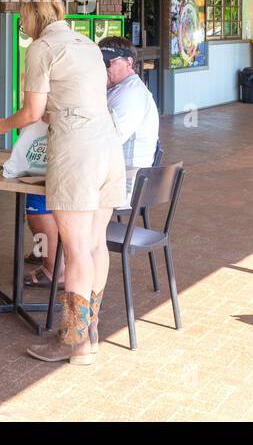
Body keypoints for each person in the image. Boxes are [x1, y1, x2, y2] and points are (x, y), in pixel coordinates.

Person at [0, 0, 125, 364]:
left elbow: (33, 114)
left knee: (76, 246)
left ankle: (73, 340)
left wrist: (3, 125)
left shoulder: (42, 48)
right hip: (108, 146)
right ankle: (89, 330)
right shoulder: (84, 44)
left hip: (78, 152)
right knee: (96, 242)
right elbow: (73, 103)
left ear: (31, 16)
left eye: (22, 16)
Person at [23, 36, 159, 290]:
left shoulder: (130, 94)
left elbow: (99, 137)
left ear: (129, 63)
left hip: (118, 185)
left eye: (109, 62)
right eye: (100, 63)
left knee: (41, 197)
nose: (104, 68)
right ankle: (52, 250)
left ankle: (56, 268)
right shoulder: (118, 90)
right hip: (113, 176)